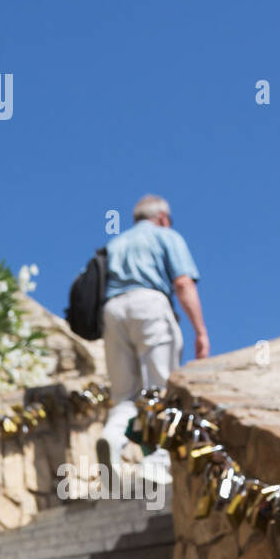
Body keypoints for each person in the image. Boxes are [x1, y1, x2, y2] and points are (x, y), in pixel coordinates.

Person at [100, 195, 208, 474]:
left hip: (111, 312)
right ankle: (158, 459)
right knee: (159, 386)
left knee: (125, 394)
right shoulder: (164, 235)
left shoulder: (115, 243)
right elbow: (183, 283)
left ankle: (111, 438)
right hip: (149, 304)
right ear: (162, 218)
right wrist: (200, 331)